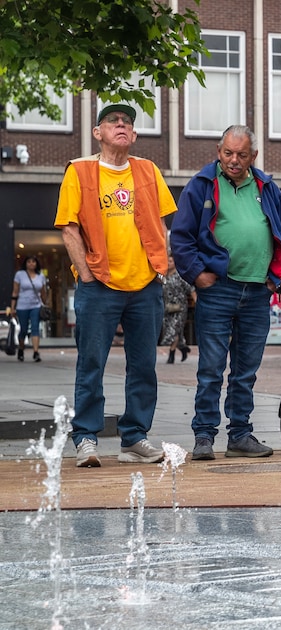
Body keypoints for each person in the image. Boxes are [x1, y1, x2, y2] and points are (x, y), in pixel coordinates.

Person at [55, 103, 176, 467]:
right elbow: (69, 229)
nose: (121, 125)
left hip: (145, 286)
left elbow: (162, 223)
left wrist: (163, 264)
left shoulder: (148, 170)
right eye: (113, 121)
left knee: (143, 366)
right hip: (99, 285)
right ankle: (86, 438)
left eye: (127, 122)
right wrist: (86, 276)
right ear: (98, 133)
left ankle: (134, 438)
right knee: (91, 364)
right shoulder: (79, 171)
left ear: (134, 135)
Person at [171, 126, 281, 460]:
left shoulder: (267, 187)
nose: (234, 160)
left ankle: (240, 435)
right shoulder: (201, 185)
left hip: (257, 292)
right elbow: (181, 237)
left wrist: (278, 278)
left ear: (254, 155)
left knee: (245, 372)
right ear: (218, 151)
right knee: (211, 369)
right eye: (228, 153)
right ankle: (204, 437)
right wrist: (197, 274)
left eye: (241, 154)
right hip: (218, 290)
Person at [7, 255, 49, 362]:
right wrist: (12, 308)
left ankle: (36, 352)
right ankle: (21, 349)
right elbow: (15, 291)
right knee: (24, 330)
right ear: (25, 264)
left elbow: (43, 292)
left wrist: (45, 304)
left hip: (36, 305)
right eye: (29, 262)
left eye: (33, 262)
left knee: (35, 328)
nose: (31, 264)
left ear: (36, 263)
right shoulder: (19, 275)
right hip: (22, 306)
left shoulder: (40, 276)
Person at [160, 256, 193, 364]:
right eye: (167, 261)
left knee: (173, 330)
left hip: (180, 307)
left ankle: (171, 354)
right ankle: (183, 348)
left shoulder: (180, 276)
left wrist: (196, 301)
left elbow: (191, 289)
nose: (168, 263)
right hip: (167, 307)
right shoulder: (163, 276)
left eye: (170, 261)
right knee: (172, 329)